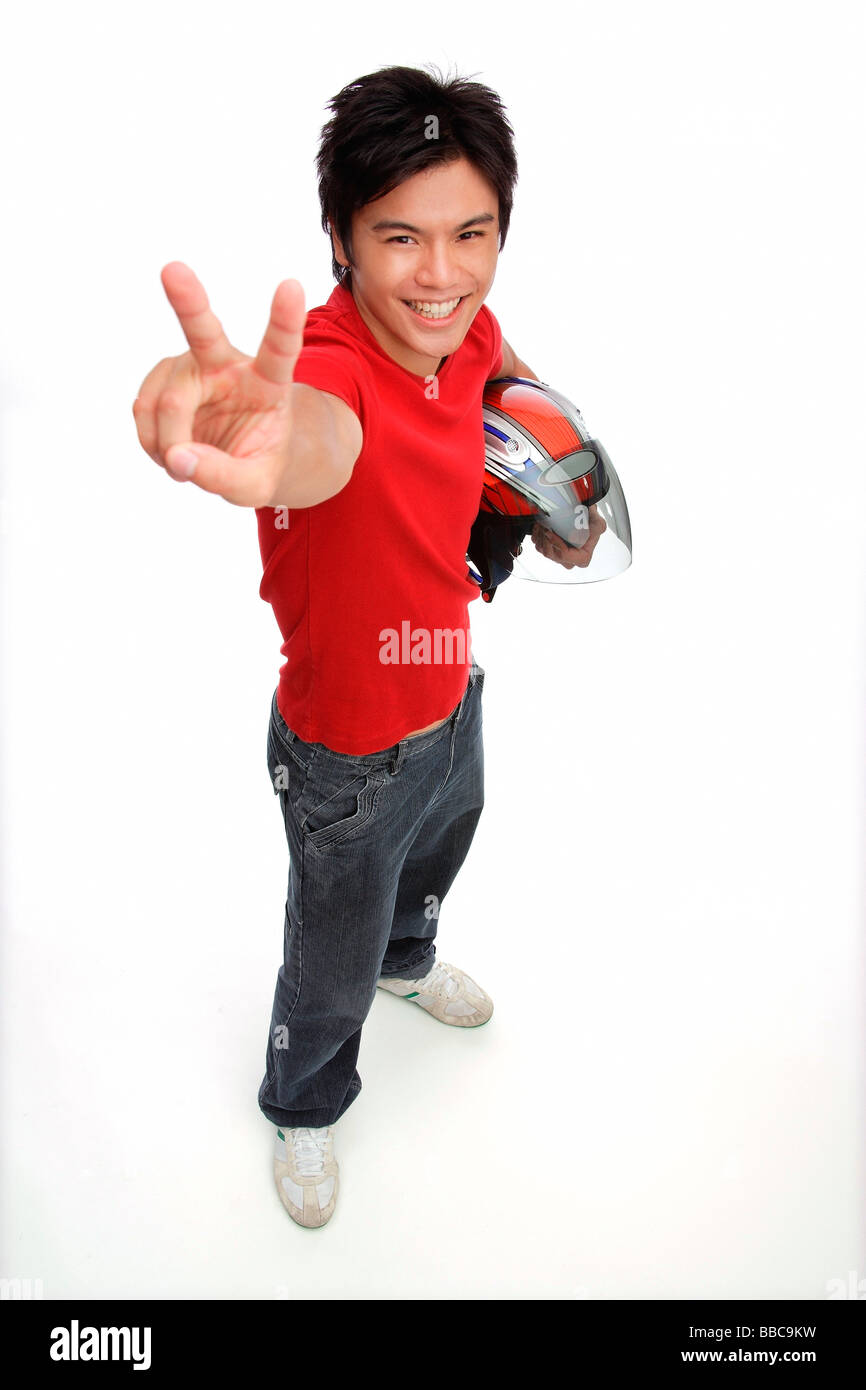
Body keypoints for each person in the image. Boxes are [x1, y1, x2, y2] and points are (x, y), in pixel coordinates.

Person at [132, 63, 601, 1230]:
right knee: (323, 968)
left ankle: (407, 954)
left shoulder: (466, 325)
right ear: (340, 238)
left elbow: (499, 376)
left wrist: (553, 495)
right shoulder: (329, 375)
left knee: (437, 858)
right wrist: (221, 417)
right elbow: (310, 441)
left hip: (449, 696)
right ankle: (301, 1099)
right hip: (345, 755)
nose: (440, 275)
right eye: (400, 238)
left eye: (470, 233)